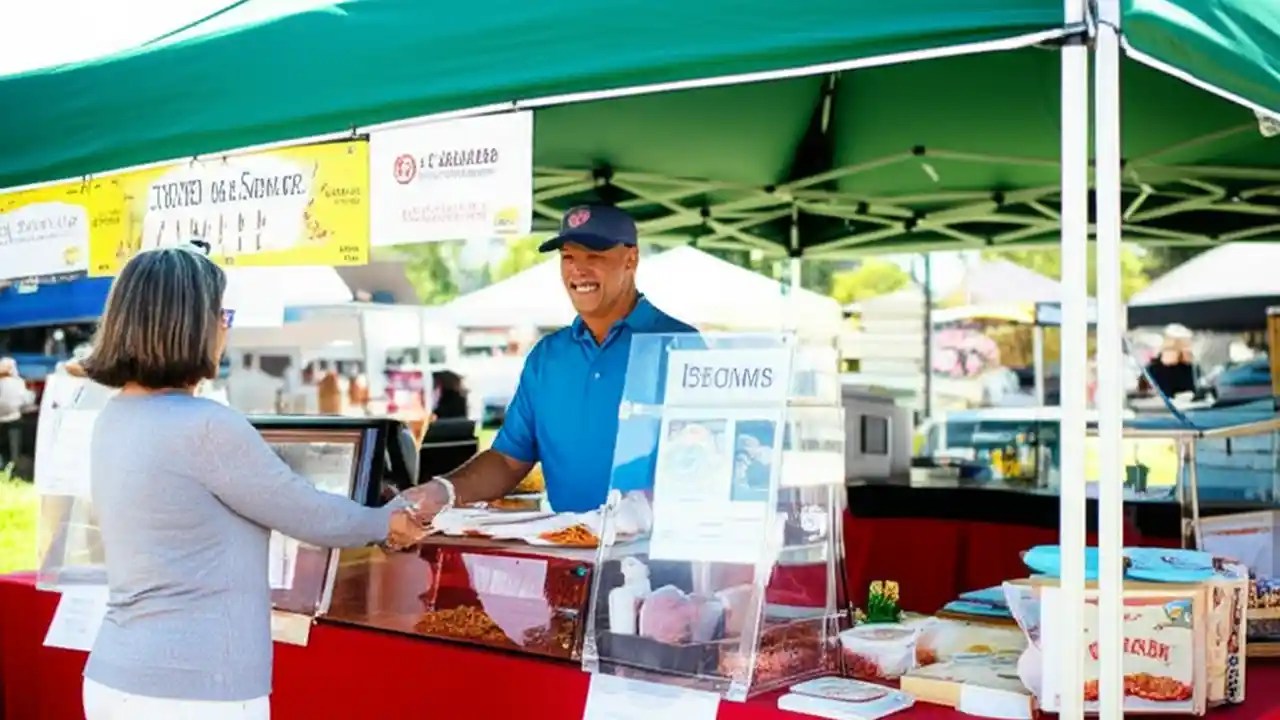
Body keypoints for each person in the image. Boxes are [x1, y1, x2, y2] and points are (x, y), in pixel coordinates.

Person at [78, 246, 428, 720]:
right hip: (195, 689)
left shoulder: (113, 416)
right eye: (221, 313)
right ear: (186, 322)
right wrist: (386, 521)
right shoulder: (206, 426)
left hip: (118, 674)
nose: (227, 326)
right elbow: (307, 512)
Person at [406, 205, 695, 515]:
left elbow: (706, 460)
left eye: (594, 255)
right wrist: (443, 491)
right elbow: (507, 460)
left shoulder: (681, 347)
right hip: (566, 552)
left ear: (631, 258)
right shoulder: (547, 357)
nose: (578, 270)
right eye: (568, 257)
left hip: (655, 556)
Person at [0, 357, 32, 469]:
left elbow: (24, 400)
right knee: (11, 449)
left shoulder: (18, 382)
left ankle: (12, 468)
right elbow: (25, 401)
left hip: (13, 420)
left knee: (12, 449)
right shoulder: (18, 382)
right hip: (12, 419)